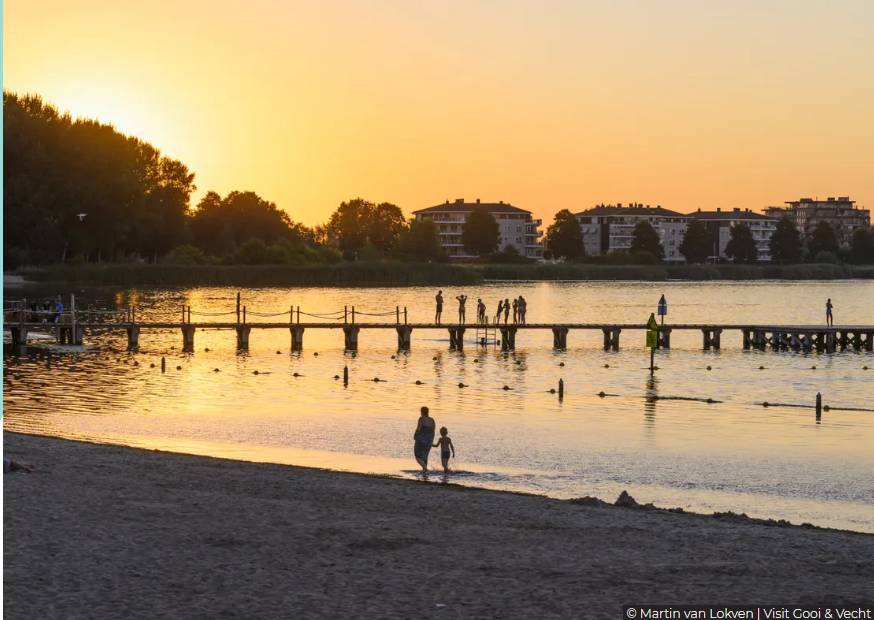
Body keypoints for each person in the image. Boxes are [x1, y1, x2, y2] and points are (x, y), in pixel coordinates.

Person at [413, 406, 436, 472]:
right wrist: (431, 441)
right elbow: (433, 431)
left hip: (420, 440)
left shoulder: (421, 419)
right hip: (429, 440)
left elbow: (418, 428)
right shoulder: (432, 420)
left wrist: (415, 435)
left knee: (417, 456)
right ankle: (424, 471)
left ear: (422, 412)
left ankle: (425, 469)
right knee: (425, 456)